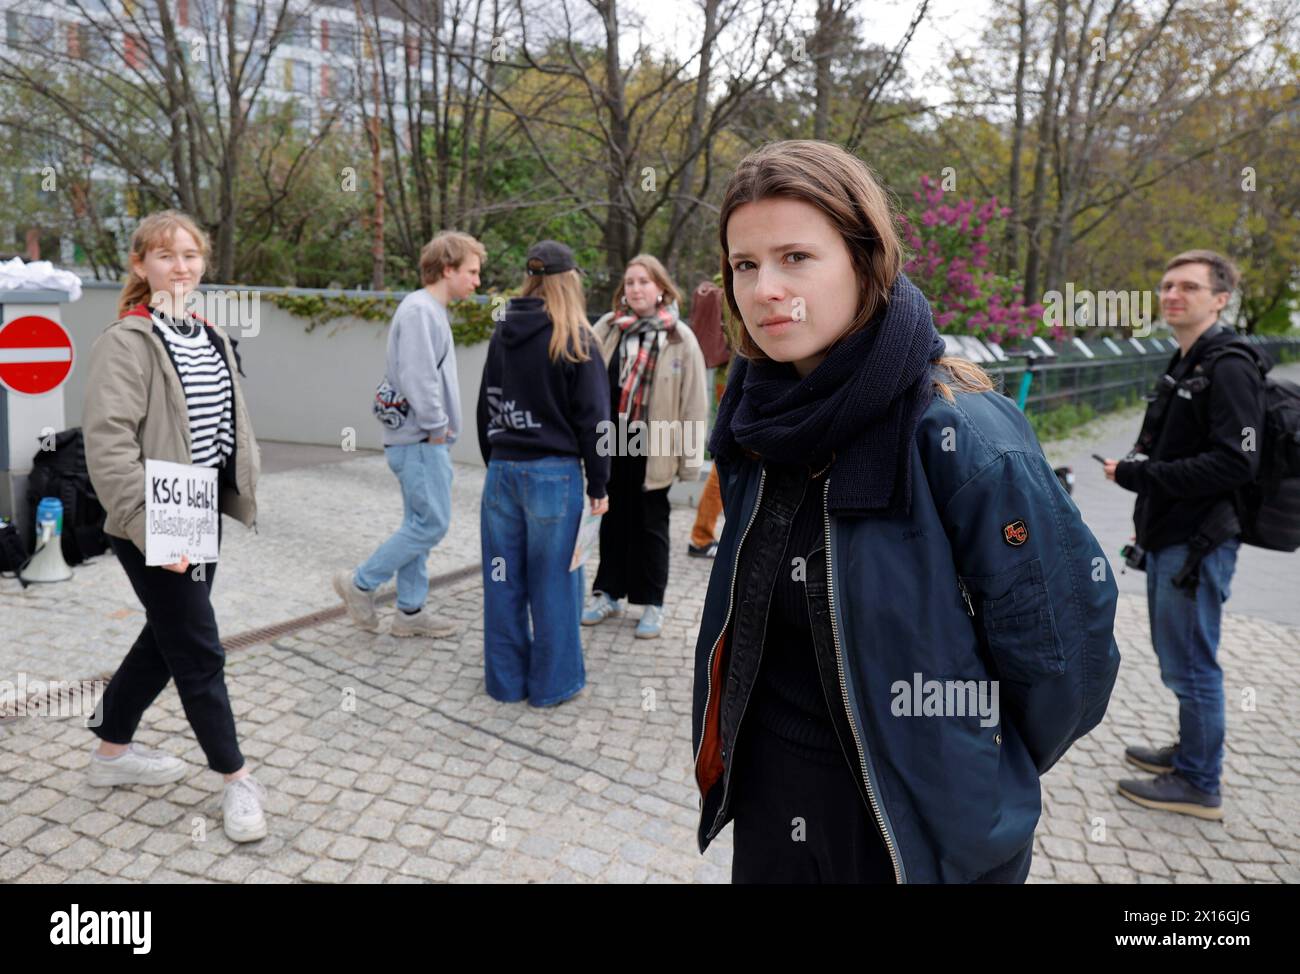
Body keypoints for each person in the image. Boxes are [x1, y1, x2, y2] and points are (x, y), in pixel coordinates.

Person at [691, 140, 1121, 883]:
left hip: (915, 829)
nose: (765, 289)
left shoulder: (962, 432)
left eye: (797, 257)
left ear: (865, 260)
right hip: (768, 795)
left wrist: (971, 773)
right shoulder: (754, 419)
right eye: (745, 264)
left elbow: (1066, 659)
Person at [83, 210, 268, 843]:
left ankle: (110, 752)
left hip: (199, 509)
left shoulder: (206, 333)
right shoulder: (126, 342)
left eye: (190, 255)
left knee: (166, 637)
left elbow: (222, 425)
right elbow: (107, 448)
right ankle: (236, 778)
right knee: (198, 648)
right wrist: (154, 532)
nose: (181, 266)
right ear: (140, 265)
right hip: (155, 517)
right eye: (165, 256)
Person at [1104, 250, 1268, 821]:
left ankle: (1199, 783)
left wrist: (1140, 475)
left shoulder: (1229, 365)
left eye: (1189, 287)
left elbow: (1236, 462)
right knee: (1179, 658)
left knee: (1193, 662)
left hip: (1199, 542)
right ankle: (1189, 752)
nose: (1172, 294)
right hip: (1171, 535)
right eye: (1168, 285)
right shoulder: (1187, 360)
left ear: (1220, 299)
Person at [476, 241, 611, 706]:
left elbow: (485, 405)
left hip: (503, 471)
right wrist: (599, 483)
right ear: (569, 279)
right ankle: (553, 685)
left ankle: (506, 681)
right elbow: (595, 420)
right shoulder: (577, 336)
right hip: (554, 477)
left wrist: (495, 459)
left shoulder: (503, 329)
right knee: (555, 584)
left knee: (501, 580)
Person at [334, 231, 484, 637]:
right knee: (431, 525)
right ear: (447, 269)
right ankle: (361, 583)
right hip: (420, 441)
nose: (477, 281)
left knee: (418, 523)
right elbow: (420, 379)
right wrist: (437, 428)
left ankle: (411, 613)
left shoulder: (428, 309)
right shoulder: (420, 311)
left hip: (421, 440)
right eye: (471, 272)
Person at [583, 255, 708, 638]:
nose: (635, 289)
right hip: (612, 441)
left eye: (643, 282)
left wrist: (689, 462)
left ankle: (653, 603)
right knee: (612, 519)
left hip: (655, 446)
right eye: (630, 282)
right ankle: (609, 593)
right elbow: (584, 381)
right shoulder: (606, 327)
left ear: (661, 289)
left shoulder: (679, 336)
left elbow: (694, 403)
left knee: (651, 525)